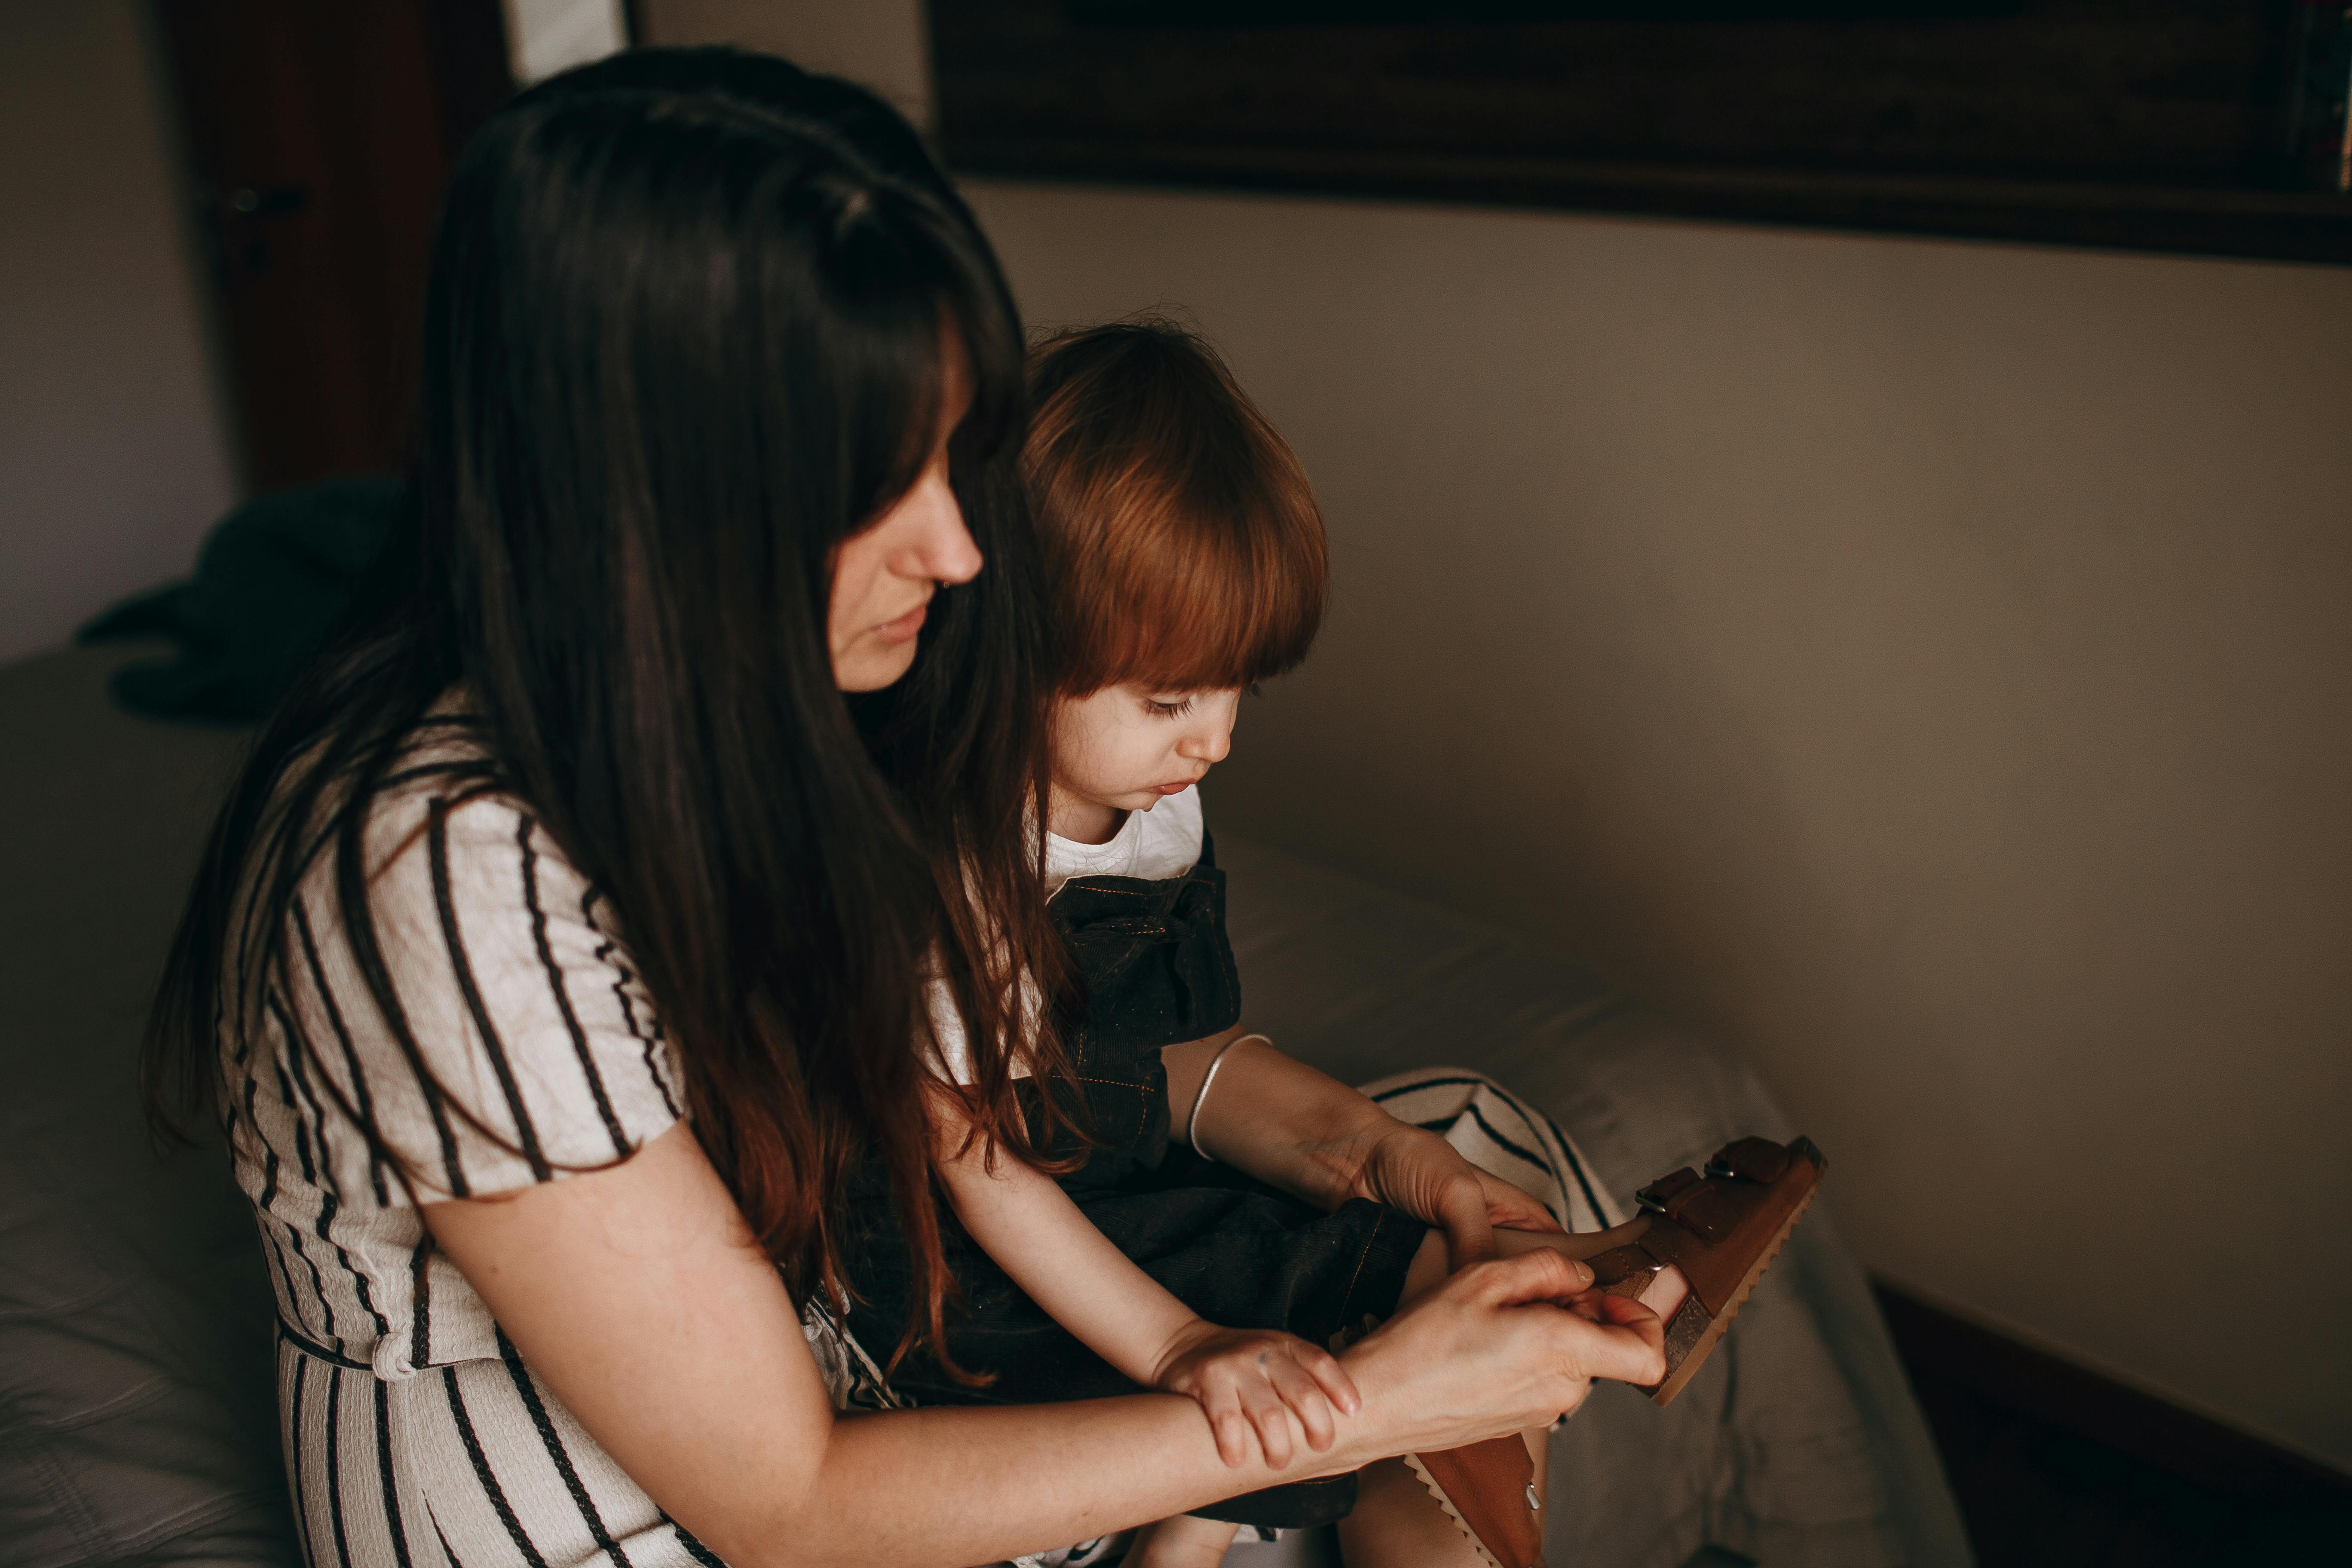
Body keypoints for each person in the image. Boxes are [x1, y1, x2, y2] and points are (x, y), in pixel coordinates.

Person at [138, 48, 1670, 1568]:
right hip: (612, 1510)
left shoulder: (746, 702)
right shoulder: (446, 870)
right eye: (886, 474)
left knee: (1476, 1163)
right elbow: (785, 1505)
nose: (957, 551)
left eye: (959, 460)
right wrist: (1363, 1402)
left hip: (824, 1365)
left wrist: (1375, 1214)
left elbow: (1047, 1056)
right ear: (665, 489)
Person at [842, 321, 1825, 1568]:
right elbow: (977, 1168)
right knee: (1311, 1302)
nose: (1215, 744)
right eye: (1169, 702)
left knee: (1406, 1247)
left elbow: (1177, 1062)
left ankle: (1535, 1312)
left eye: (1235, 691)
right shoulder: (950, 861)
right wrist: (1179, 1349)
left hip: (1097, 1173)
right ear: (1014, 655)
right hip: (959, 1262)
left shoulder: (1147, 801)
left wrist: (1391, 1154)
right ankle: (1198, 1533)